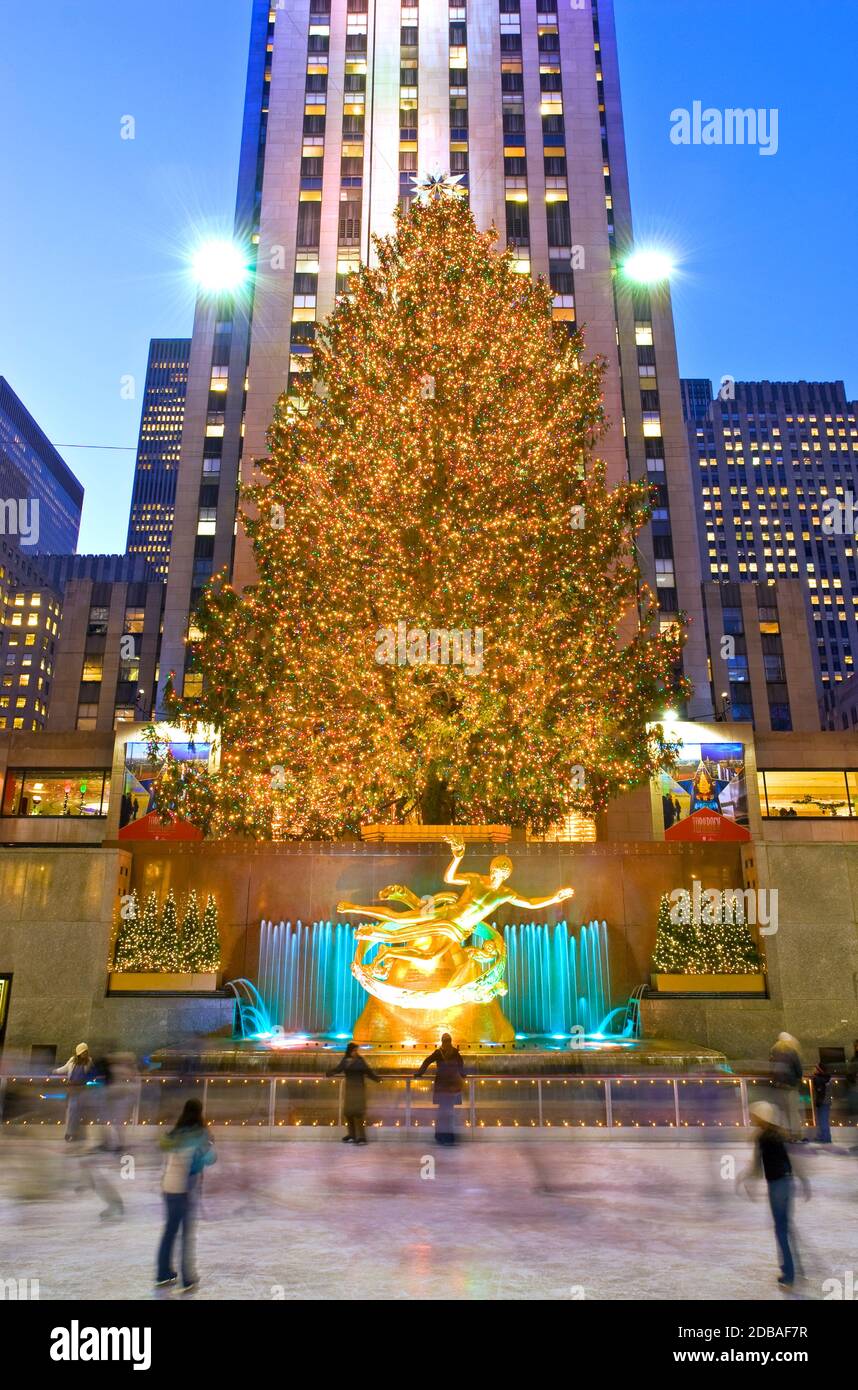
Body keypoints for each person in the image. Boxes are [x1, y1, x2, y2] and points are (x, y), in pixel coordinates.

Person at [740, 1101, 810, 1289]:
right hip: (788, 1183)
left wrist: (745, 1179)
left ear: (761, 1117)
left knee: (781, 1230)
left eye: (754, 1115)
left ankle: (789, 1274)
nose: (751, 1118)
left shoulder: (762, 1137)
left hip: (777, 1186)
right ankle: (796, 1269)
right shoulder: (780, 1134)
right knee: (786, 1227)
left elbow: (757, 1168)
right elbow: (792, 1159)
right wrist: (803, 1181)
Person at [155, 1099, 216, 1293]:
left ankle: (163, 1273)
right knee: (187, 1233)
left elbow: (163, 1145)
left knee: (169, 1231)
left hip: (167, 1186)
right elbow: (208, 1158)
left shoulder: (175, 1133)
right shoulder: (199, 1134)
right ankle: (187, 1278)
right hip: (186, 1186)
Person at [414, 1034, 466, 1145]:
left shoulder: (439, 1053)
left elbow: (427, 1061)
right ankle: (448, 1136)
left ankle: (441, 1136)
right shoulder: (454, 1052)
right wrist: (462, 1075)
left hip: (443, 1087)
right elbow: (461, 1065)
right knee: (449, 1112)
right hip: (451, 1087)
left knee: (443, 1112)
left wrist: (419, 1073)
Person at [327, 1042, 381, 1144]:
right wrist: (330, 1073)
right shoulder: (346, 1061)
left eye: (356, 1050)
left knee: (358, 1114)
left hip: (359, 1089)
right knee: (348, 1113)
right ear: (350, 1051)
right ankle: (352, 1135)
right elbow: (338, 1069)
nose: (355, 1052)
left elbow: (368, 1071)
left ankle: (361, 1137)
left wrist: (376, 1078)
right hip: (350, 1089)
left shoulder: (360, 1061)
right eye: (354, 1050)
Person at [53, 1042, 94, 1141]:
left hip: (82, 1089)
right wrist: (55, 1071)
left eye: (86, 1051)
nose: (85, 1053)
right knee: (72, 1111)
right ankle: (69, 1133)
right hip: (72, 1089)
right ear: (79, 1052)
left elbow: (91, 1072)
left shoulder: (89, 1061)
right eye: (83, 1051)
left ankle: (77, 1134)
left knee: (79, 1112)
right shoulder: (72, 1061)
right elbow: (65, 1068)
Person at [769, 1031, 804, 1139]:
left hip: (778, 1086)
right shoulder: (792, 1051)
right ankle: (796, 1135)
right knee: (793, 1112)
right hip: (791, 1086)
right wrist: (799, 1078)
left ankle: (784, 1135)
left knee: (781, 1111)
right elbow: (798, 1070)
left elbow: (772, 1068)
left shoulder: (774, 1052)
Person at [811, 1061, 832, 1144]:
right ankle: (824, 1137)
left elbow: (821, 1091)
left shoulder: (819, 1079)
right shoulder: (826, 1078)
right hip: (825, 1101)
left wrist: (819, 1101)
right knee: (822, 1120)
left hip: (823, 1102)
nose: (814, 1069)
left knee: (823, 1120)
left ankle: (825, 1138)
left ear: (819, 1070)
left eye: (815, 1068)